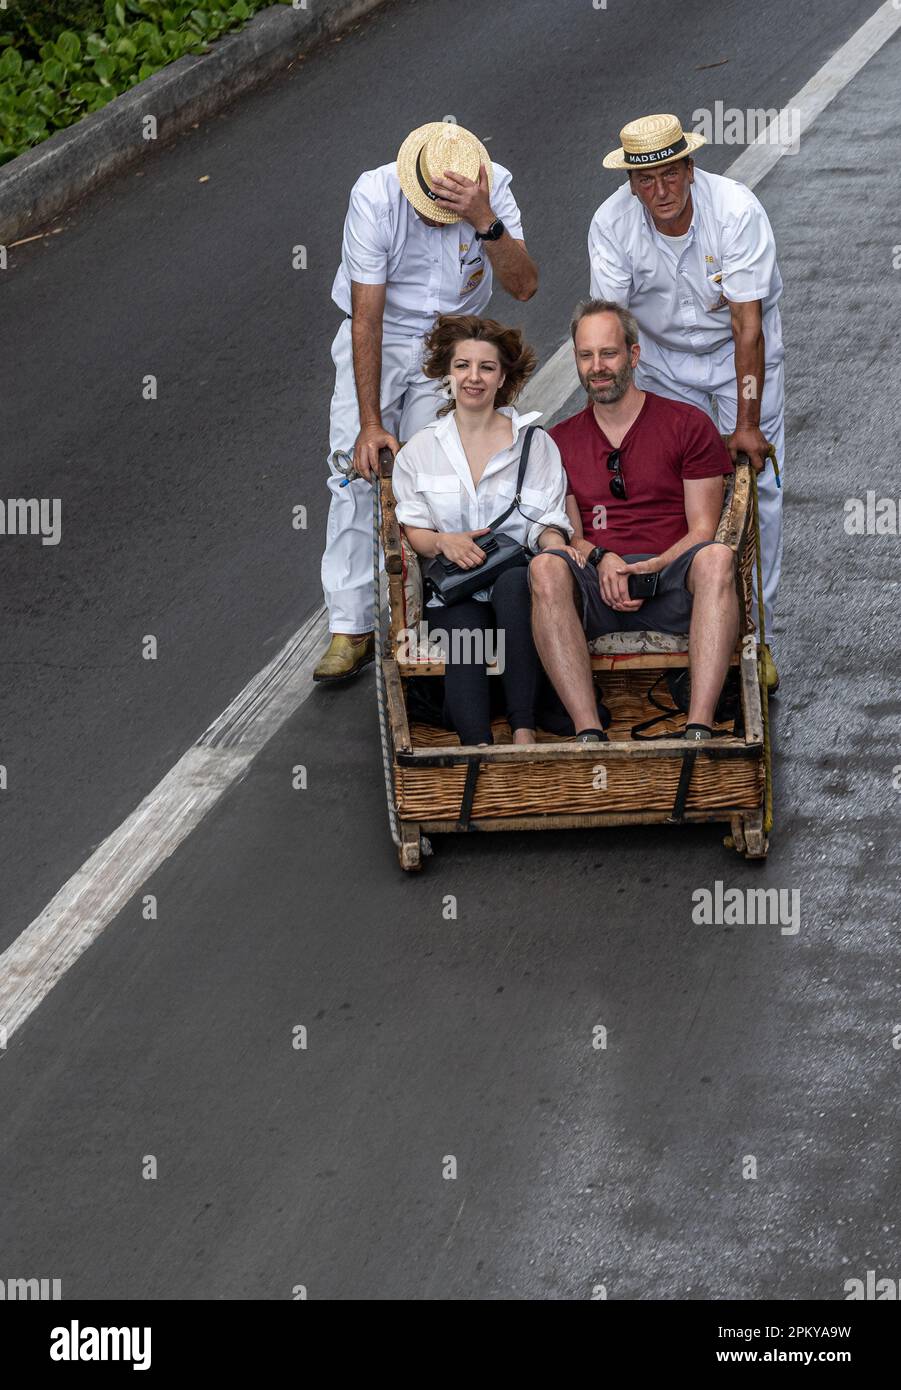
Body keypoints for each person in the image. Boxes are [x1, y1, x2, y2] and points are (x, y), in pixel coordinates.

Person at [314, 120, 539, 682]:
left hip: (453, 340)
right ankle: (351, 625)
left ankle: (434, 609)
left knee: (440, 475)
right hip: (381, 335)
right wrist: (370, 423)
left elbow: (525, 284)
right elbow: (367, 318)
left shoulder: (495, 187)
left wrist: (484, 220)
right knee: (354, 471)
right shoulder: (374, 196)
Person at [588, 113, 783, 688]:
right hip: (663, 360)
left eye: (670, 175)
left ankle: (757, 633)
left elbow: (748, 326)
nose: (660, 191)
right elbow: (609, 330)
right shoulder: (610, 224)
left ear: (690, 168)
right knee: (674, 486)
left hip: (736, 357)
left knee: (757, 489)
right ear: (630, 184)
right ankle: (688, 619)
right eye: (646, 181)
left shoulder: (737, 211)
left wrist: (746, 424)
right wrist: (610, 422)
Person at [529, 299, 738, 744]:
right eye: (586, 356)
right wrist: (602, 559)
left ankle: (698, 726)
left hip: (670, 577)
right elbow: (570, 534)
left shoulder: (687, 424)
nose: (597, 367)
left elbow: (703, 529)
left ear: (634, 355)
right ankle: (588, 731)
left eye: (608, 353)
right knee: (545, 566)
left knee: (718, 558)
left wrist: (650, 567)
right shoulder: (558, 441)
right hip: (596, 582)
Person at [392, 315, 578, 746]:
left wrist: (558, 552)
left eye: (486, 368)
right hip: (456, 584)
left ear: (503, 378)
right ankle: (478, 750)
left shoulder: (533, 443)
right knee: (463, 636)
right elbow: (414, 527)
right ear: (447, 372)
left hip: (518, 580)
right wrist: (443, 542)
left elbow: (549, 521)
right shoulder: (420, 450)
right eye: (462, 366)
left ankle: (524, 731)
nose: (473, 377)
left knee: (516, 587)